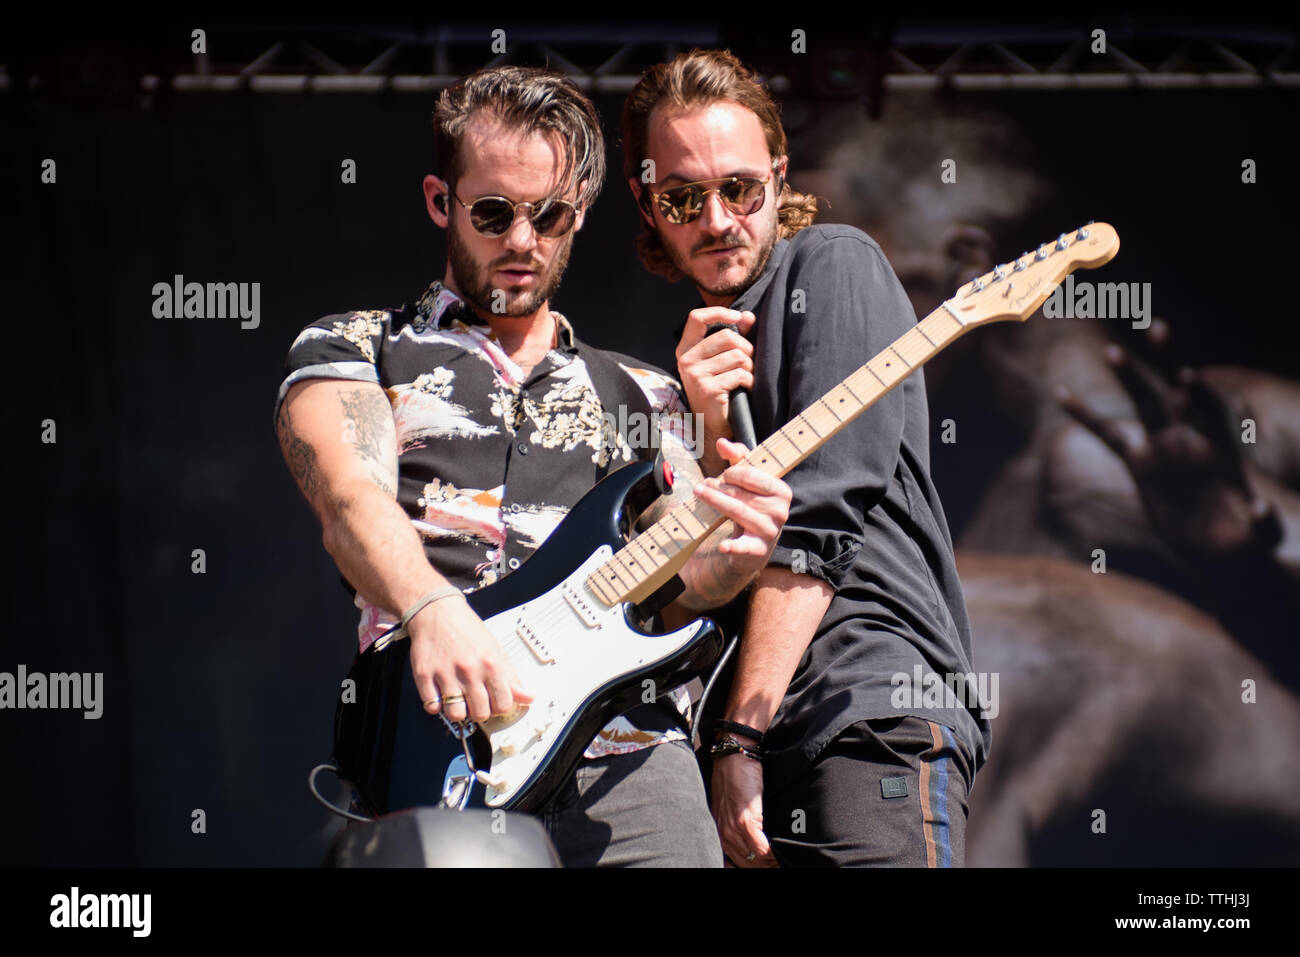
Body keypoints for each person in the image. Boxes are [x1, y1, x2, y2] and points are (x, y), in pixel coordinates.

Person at [273, 65, 791, 867]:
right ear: (440, 202)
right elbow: (349, 501)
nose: (521, 240)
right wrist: (431, 608)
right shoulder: (359, 347)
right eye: (492, 212)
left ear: (578, 214)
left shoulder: (648, 392)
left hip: (630, 757)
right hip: (441, 735)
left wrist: (733, 564)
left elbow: (682, 590)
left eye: (548, 215)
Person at [621, 49, 992, 866]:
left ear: (779, 178)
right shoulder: (679, 372)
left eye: (740, 190)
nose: (716, 219)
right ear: (648, 205)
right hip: (758, 736)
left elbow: (822, 509)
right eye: (683, 196)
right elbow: (702, 584)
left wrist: (736, 740)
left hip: (864, 710)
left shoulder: (832, 261)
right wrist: (708, 422)